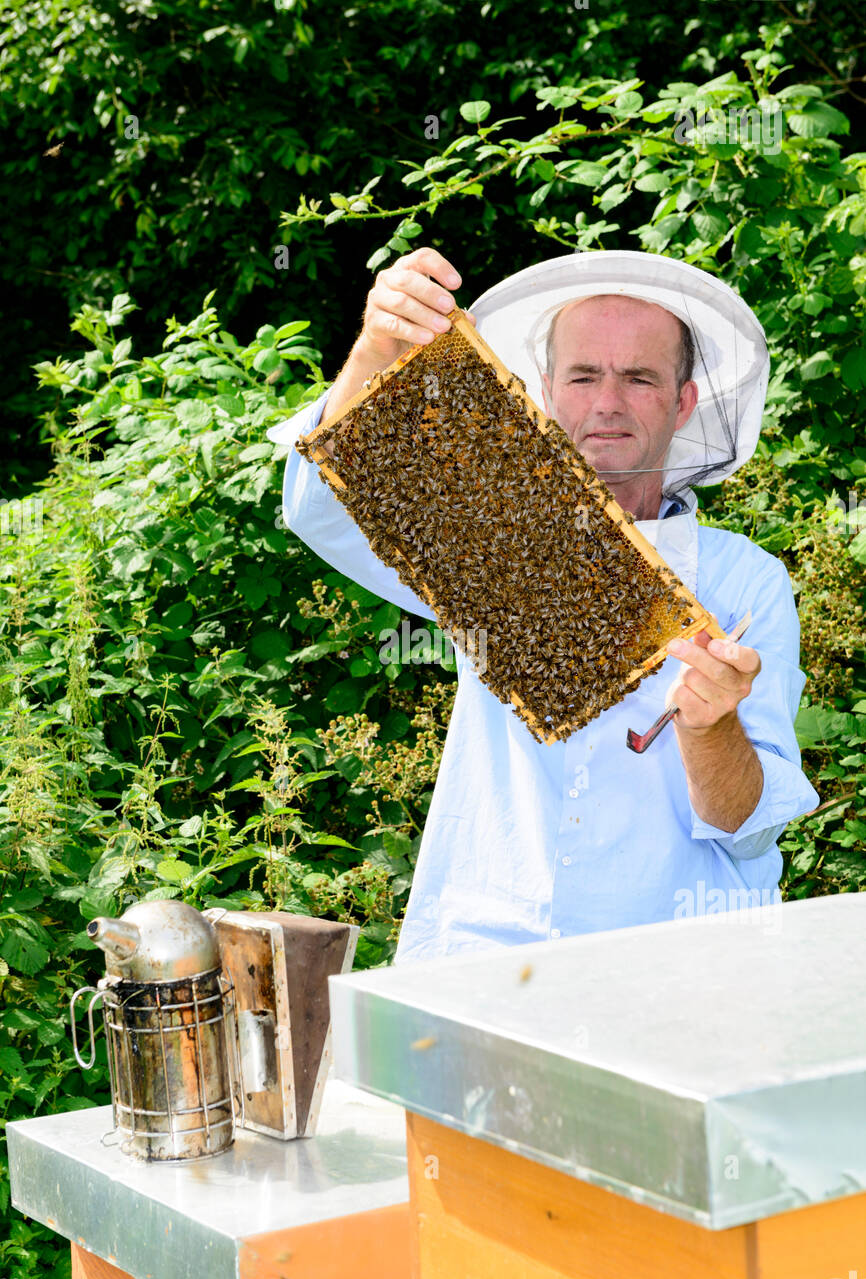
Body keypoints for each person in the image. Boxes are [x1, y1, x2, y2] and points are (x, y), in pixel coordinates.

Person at [267, 247, 819, 963]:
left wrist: (712, 727)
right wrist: (378, 349)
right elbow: (321, 505)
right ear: (549, 388)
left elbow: (746, 827)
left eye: (639, 378)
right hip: (484, 955)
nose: (608, 401)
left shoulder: (746, 583)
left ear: (684, 401)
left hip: (670, 974)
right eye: (585, 375)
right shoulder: (488, 534)